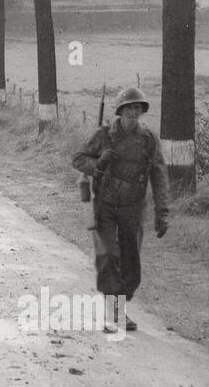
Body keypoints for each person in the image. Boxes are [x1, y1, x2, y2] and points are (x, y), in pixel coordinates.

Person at [70, 86, 170, 333]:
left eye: (137, 108)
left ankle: (119, 307)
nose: (133, 113)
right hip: (104, 205)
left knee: (131, 264)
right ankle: (113, 312)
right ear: (120, 111)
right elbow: (78, 159)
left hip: (133, 208)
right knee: (108, 256)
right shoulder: (104, 135)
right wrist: (98, 163)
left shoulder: (148, 140)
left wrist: (162, 211)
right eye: (128, 109)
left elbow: (159, 175)